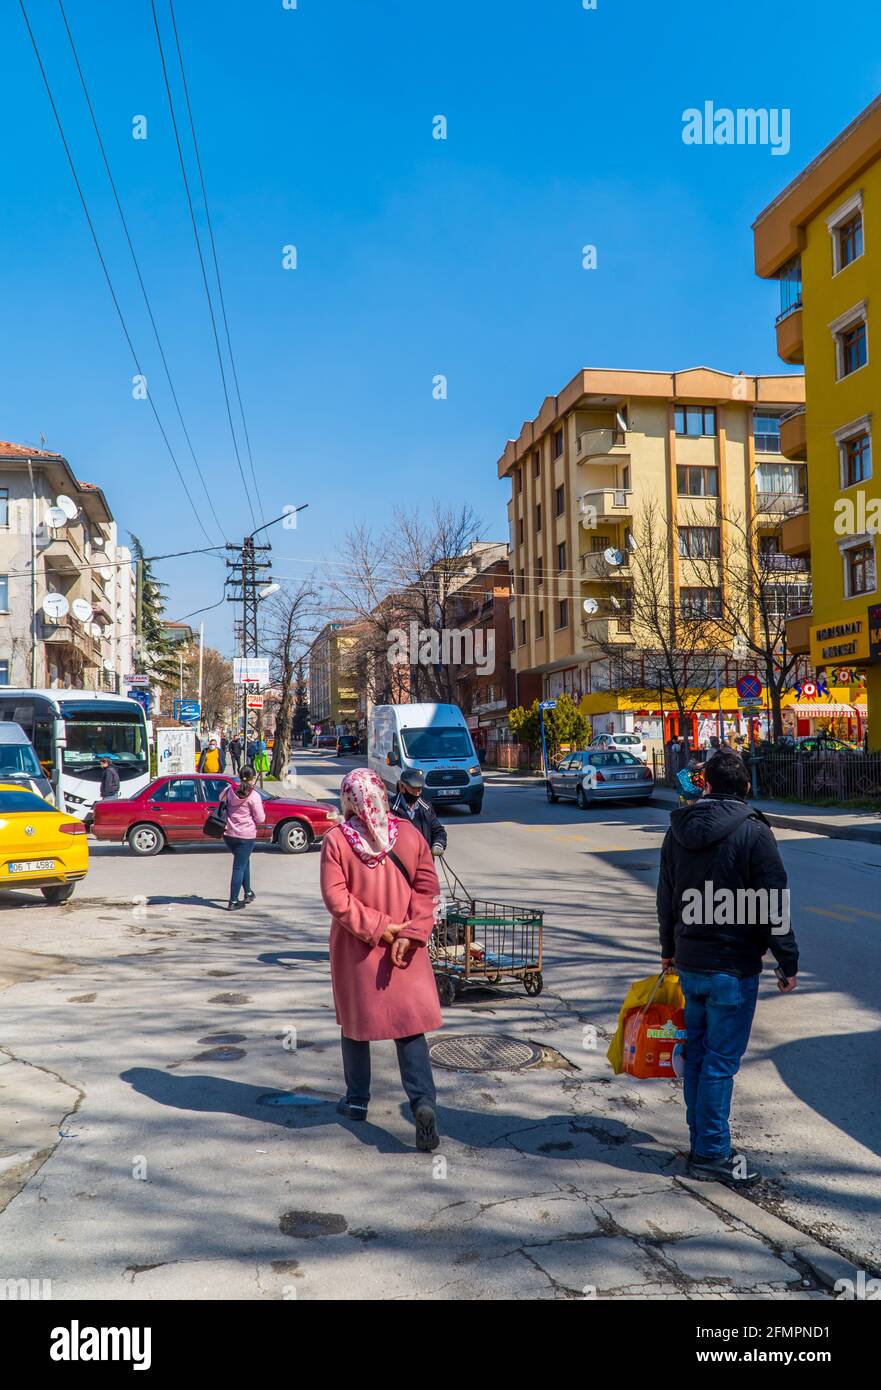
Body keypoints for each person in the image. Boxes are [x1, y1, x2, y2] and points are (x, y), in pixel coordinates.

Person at [657, 750, 799, 1187]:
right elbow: (775, 901)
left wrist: (669, 949)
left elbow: (667, 898)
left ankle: (703, 1141)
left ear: (706, 785)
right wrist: (787, 960)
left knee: (697, 1055)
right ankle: (713, 1153)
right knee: (719, 1061)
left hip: (691, 962)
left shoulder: (676, 831)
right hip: (733, 968)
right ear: (746, 787)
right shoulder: (755, 833)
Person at [320, 767, 442, 1152]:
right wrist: (411, 932)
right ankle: (422, 1103)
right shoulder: (409, 834)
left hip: (358, 953)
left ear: (349, 800)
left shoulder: (338, 841)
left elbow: (337, 899)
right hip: (405, 954)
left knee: (355, 1027)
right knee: (409, 1030)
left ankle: (357, 1100)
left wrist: (379, 928)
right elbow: (428, 890)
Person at [220, 765, 265, 910]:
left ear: (239, 776)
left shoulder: (230, 790)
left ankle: (248, 892)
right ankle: (233, 901)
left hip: (229, 833)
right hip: (246, 836)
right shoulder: (254, 796)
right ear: (253, 778)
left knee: (244, 861)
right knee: (239, 867)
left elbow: (220, 798)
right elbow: (260, 818)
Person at [390, 769, 447, 857]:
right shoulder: (390, 809)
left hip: (424, 861)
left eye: (419, 789)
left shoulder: (426, 807)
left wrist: (438, 844)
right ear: (402, 787)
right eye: (413, 788)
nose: (417, 793)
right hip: (401, 863)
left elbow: (438, 831)